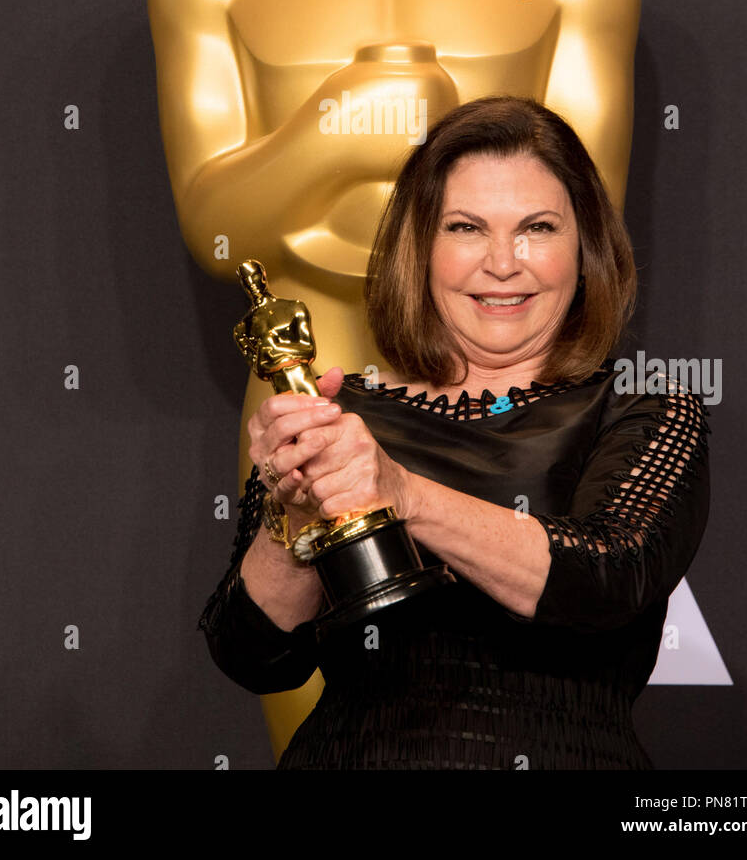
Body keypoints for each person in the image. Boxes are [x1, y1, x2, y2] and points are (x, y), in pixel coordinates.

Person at [197, 96, 711, 770]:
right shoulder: (342, 416)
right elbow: (254, 655)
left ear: (585, 249)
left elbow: (607, 575)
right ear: (421, 249)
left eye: (538, 227)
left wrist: (402, 493)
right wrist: (292, 512)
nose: (502, 262)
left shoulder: (645, 409)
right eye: (466, 228)